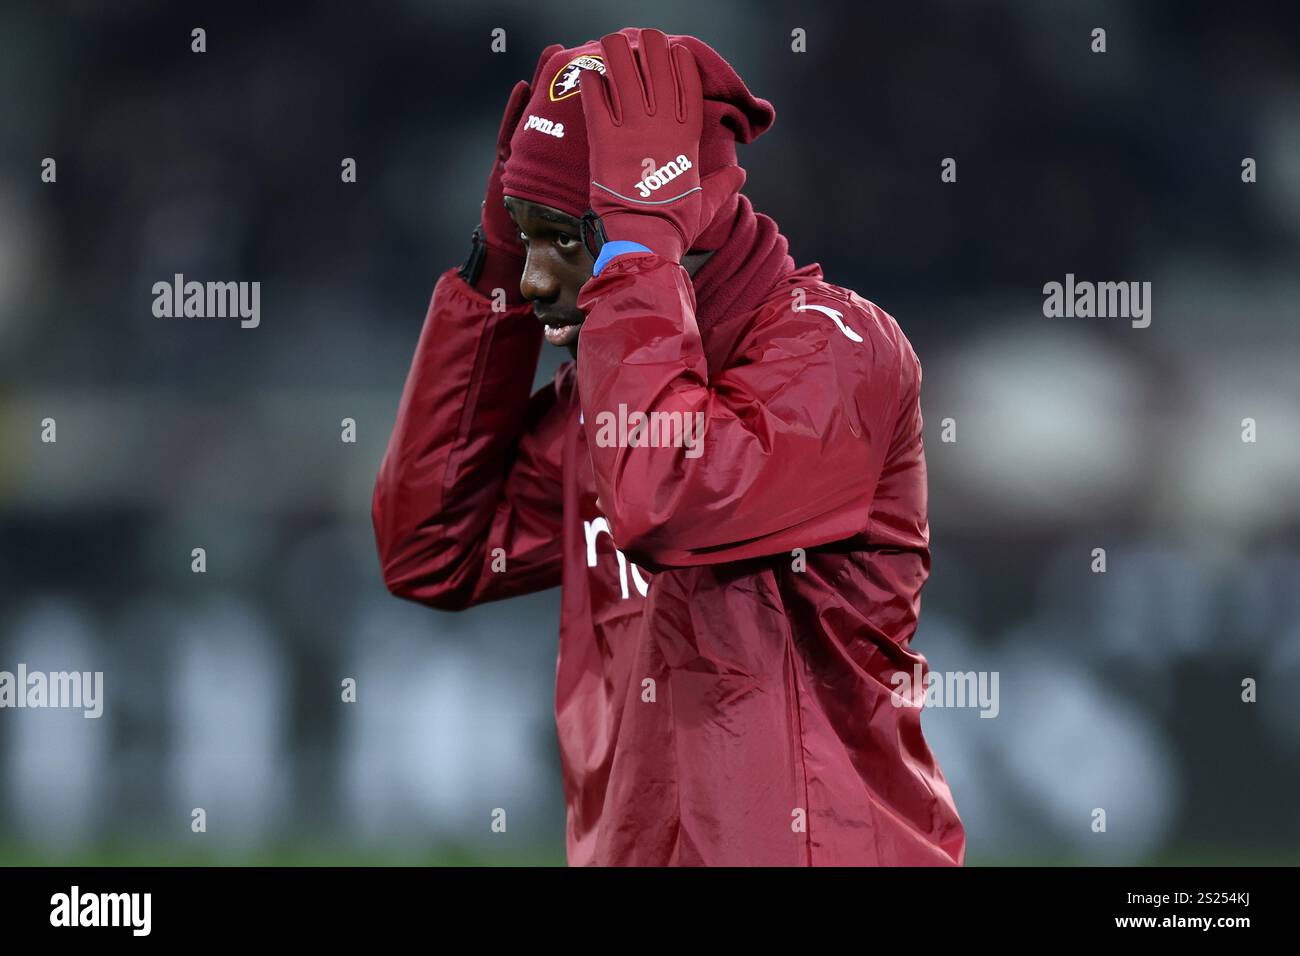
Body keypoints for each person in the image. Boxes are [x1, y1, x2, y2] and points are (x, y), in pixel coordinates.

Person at [372, 27, 965, 866]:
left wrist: (636, 251)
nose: (535, 280)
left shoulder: (838, 352)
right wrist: (494, 268)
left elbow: (668, 500)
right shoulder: (610, 387)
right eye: (521, 235)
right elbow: (430, 548)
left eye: (561, 239)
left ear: (668, 228)